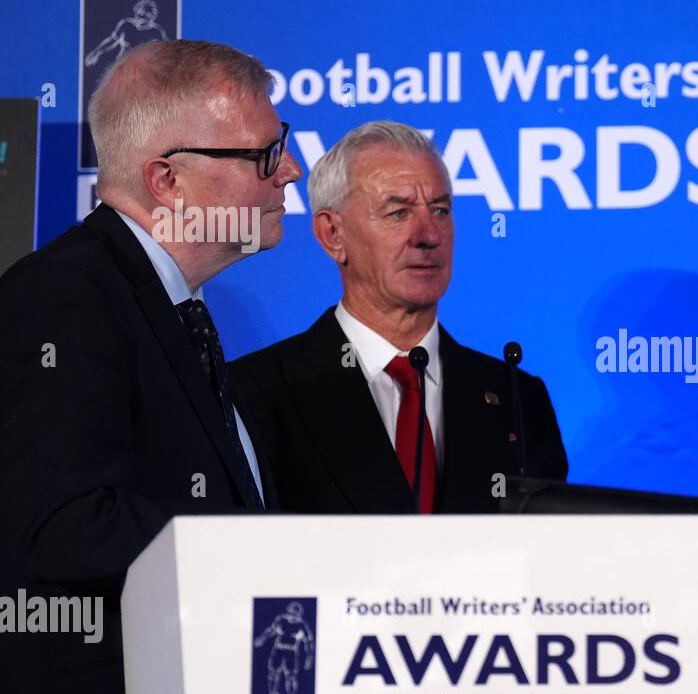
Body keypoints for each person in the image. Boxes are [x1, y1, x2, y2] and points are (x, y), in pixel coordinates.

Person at [0, 39, 301, 694]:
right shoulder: (65, 297)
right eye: (264, 156)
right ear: (166, 180)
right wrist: (290, 549)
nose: (290, 172)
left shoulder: (171, 307)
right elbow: (65, 528)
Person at [231, 121, 567, 515]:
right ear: (332, 235)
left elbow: (544, 560)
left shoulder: (517, 399)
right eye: (398, 212)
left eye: (440, 210)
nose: (428, 235)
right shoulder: (256, 394)